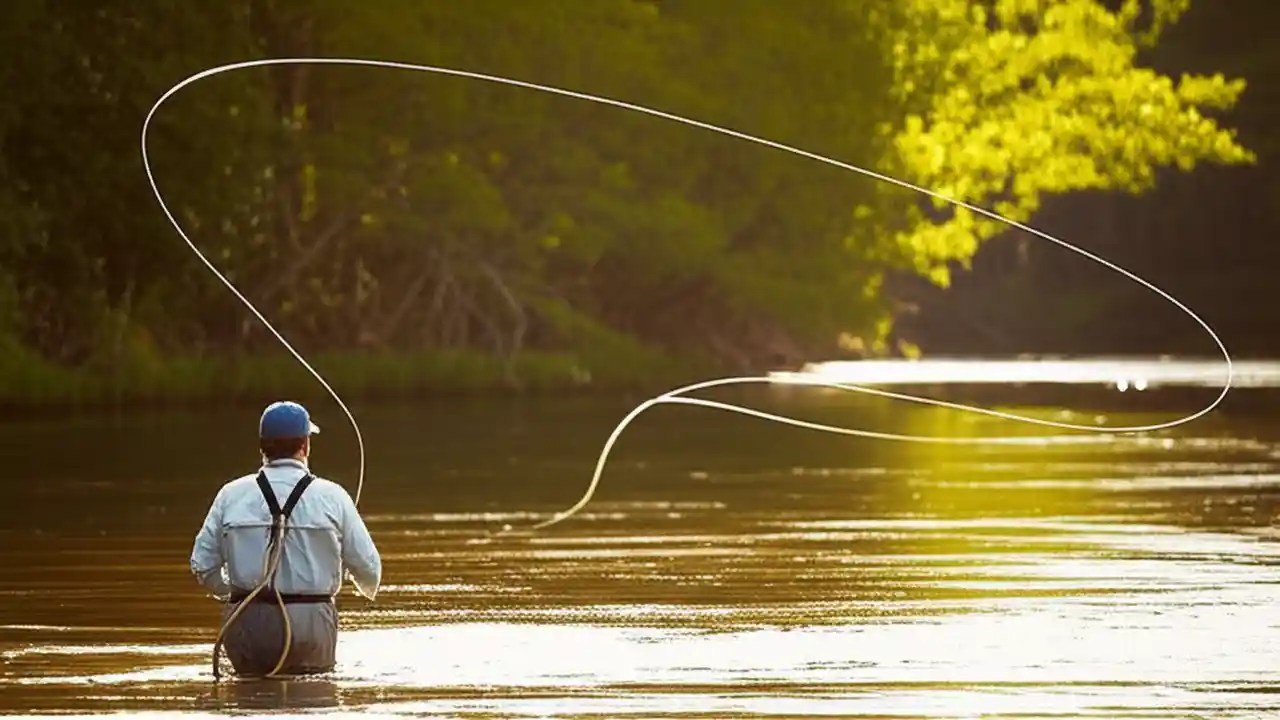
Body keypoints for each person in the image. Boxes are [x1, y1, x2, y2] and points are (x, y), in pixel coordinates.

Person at [190, 401, 381, 676]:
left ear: (262, 446)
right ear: (305, 445)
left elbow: (202, 564)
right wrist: (351, 584)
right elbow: (370, 571)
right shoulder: (333, 496)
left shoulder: (230, 495)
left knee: (248, 702)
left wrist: (232, 594)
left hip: (246, 621)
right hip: (311, 621)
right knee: (313, 699)